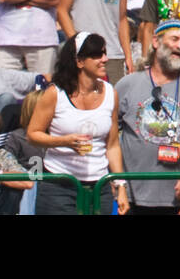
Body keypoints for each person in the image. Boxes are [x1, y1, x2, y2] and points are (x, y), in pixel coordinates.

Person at [115, 20, 180, 214]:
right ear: (156, 42)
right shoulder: (128, 84)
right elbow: (109, 139)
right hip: (134, 196)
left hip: (178, 198)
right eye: (175, 39)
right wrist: (119, 184)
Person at [28, 32, 127, 214]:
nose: (104, 59)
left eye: (104, 53)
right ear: (79, 61)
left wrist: (120, 186)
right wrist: (64, 141)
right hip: (59, 185)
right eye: (97, 55)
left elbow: (112, 145)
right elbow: (33, 134)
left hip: (99, 186)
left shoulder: (110, 93)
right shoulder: (55, 93)